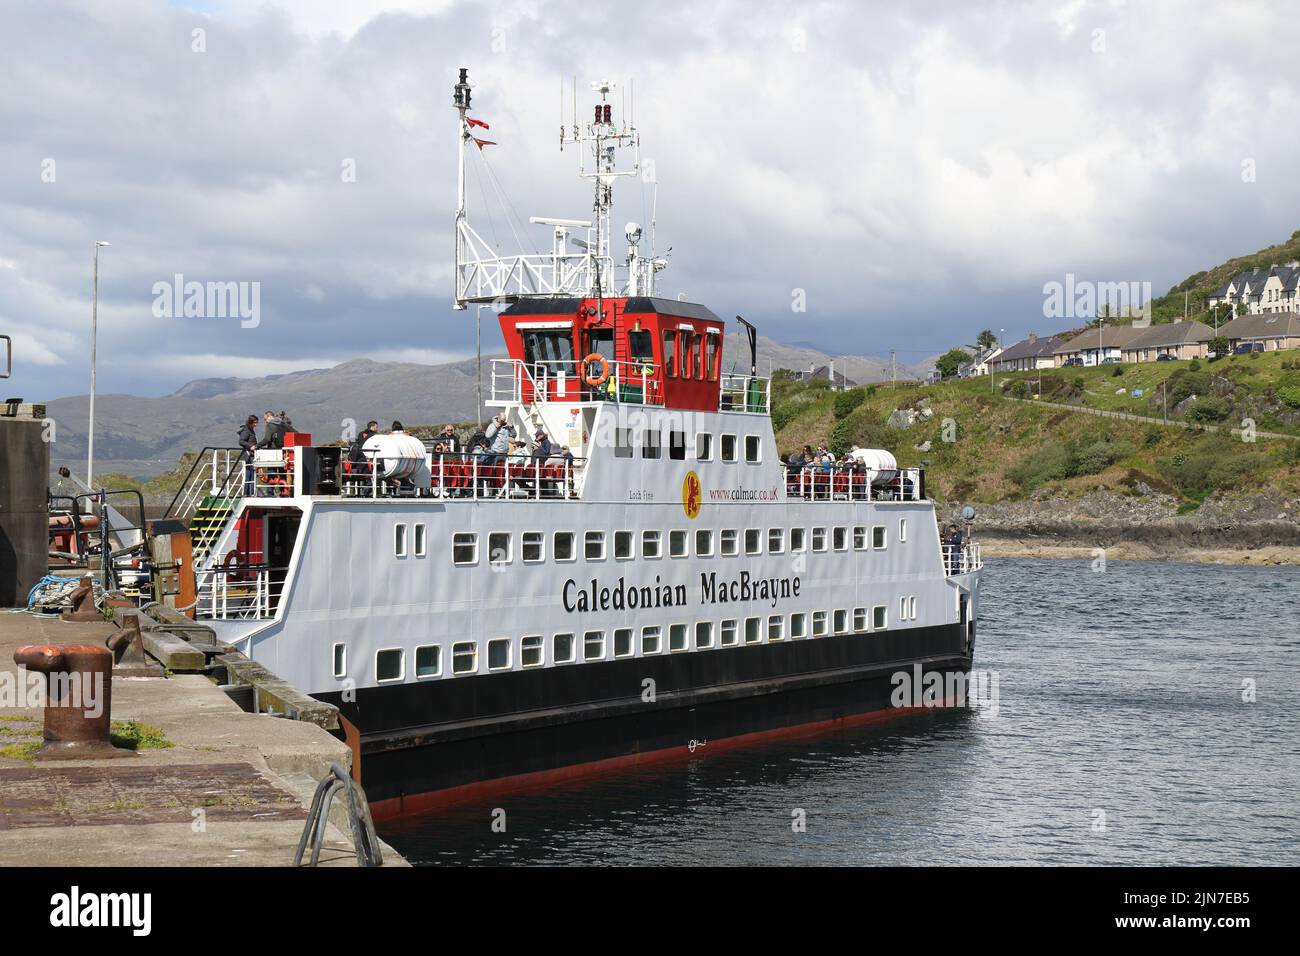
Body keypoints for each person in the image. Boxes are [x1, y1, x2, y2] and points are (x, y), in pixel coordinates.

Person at [238, 415, 259, 494]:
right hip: (248, 455)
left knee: (251, 474)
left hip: (251, 455)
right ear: (250, 422)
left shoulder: (251, 430)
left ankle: (251, 492)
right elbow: (241, 441)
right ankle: (247, 492)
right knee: (249, 474)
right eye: (254, 423)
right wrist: (250, 446)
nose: (256, 425)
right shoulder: (247, 431)